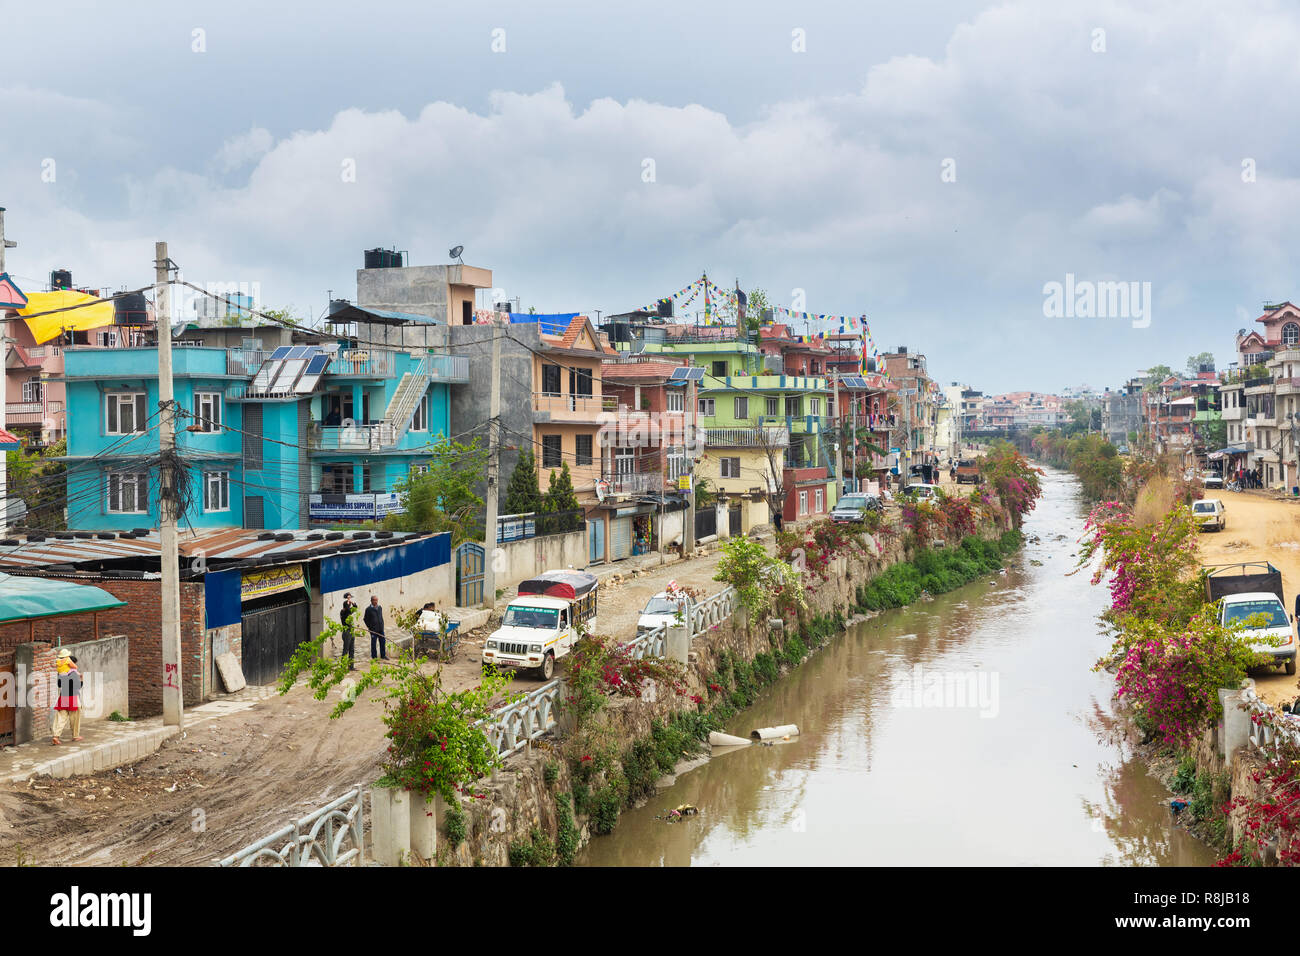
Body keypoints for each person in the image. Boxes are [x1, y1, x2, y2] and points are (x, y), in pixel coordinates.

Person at [52, 649, 82, 744]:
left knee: (61, 717)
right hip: (73, 697)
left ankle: (56, 736)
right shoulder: (74, 673)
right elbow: (78, 686)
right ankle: (75, 736)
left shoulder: (61, 673)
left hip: (63, 696)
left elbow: (59, 685)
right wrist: (81, 680)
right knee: (75, 718)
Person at [364, 595, 387, 660]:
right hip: (373, 630)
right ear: (371, 601)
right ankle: (374, 657)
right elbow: (365, 619)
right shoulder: (368, 609)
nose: (376, 601)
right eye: (374, 600)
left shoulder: (380, 607)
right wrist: (370, 627)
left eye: (376, 600)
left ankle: (383, 655)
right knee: (374, 644)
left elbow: (381, 617)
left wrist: (382, 624)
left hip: (380, 629)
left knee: (383, 642)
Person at [340, 593, 357, 669]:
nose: (350, 606)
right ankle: (342, 666)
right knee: (346, 649)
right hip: (346, 632)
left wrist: (353, 603)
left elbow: (355, 608)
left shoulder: (348, 610)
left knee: (352, 649)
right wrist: (348, 602)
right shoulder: (343, 612)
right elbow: (346, 610)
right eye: (349, 604)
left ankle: (351, 666)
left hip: (351, 630)